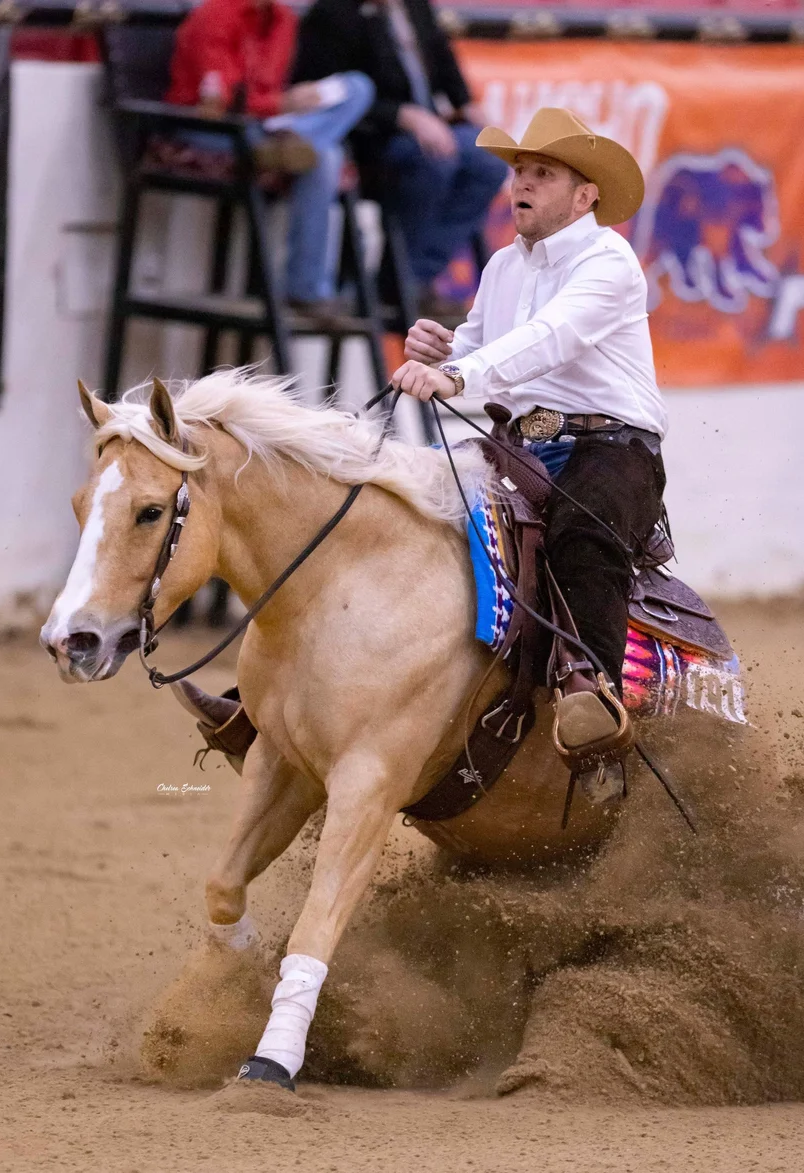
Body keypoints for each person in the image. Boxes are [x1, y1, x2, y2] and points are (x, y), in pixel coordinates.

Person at [391, 108, 667, 801]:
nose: (522, 183)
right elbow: (490, 347)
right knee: (411, 503)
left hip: (613, 444)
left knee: (583, 529)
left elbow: (550, 337)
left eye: (542, 173)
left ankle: (595, 707)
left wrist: (459, 375)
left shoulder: (610, 262)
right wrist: (450, 348)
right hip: (524, 444)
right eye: (519, 170)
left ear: (585, 196)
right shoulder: (502, 265)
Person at [290, 0, 508, 311]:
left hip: (428, 126)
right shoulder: (334, 12)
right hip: (370, 137)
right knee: (433, 160)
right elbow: (330, 94)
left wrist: (466, 105)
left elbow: (443, 61)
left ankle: (417, 276)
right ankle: (396, 281)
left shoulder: (415, 7)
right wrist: (400, 115)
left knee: (488, 162)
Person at [166, 0, 375, 322]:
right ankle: (308, 291)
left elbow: (272, 82)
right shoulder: (216, 14)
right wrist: (281, 104)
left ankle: (293, 141)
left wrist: (297, 100)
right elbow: (220, 100)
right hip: (212, 127)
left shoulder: (283, 19)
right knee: (326, 157)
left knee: (359, 86)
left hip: (269, 125)